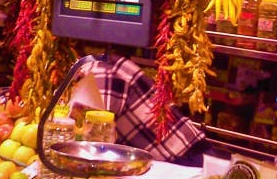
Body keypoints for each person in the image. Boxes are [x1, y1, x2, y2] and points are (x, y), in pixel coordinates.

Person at [76, 54, 211, 166]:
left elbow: (98, 136)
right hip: (168, 159)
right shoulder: (94, 67)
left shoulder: (99, 71)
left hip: (185, 157)